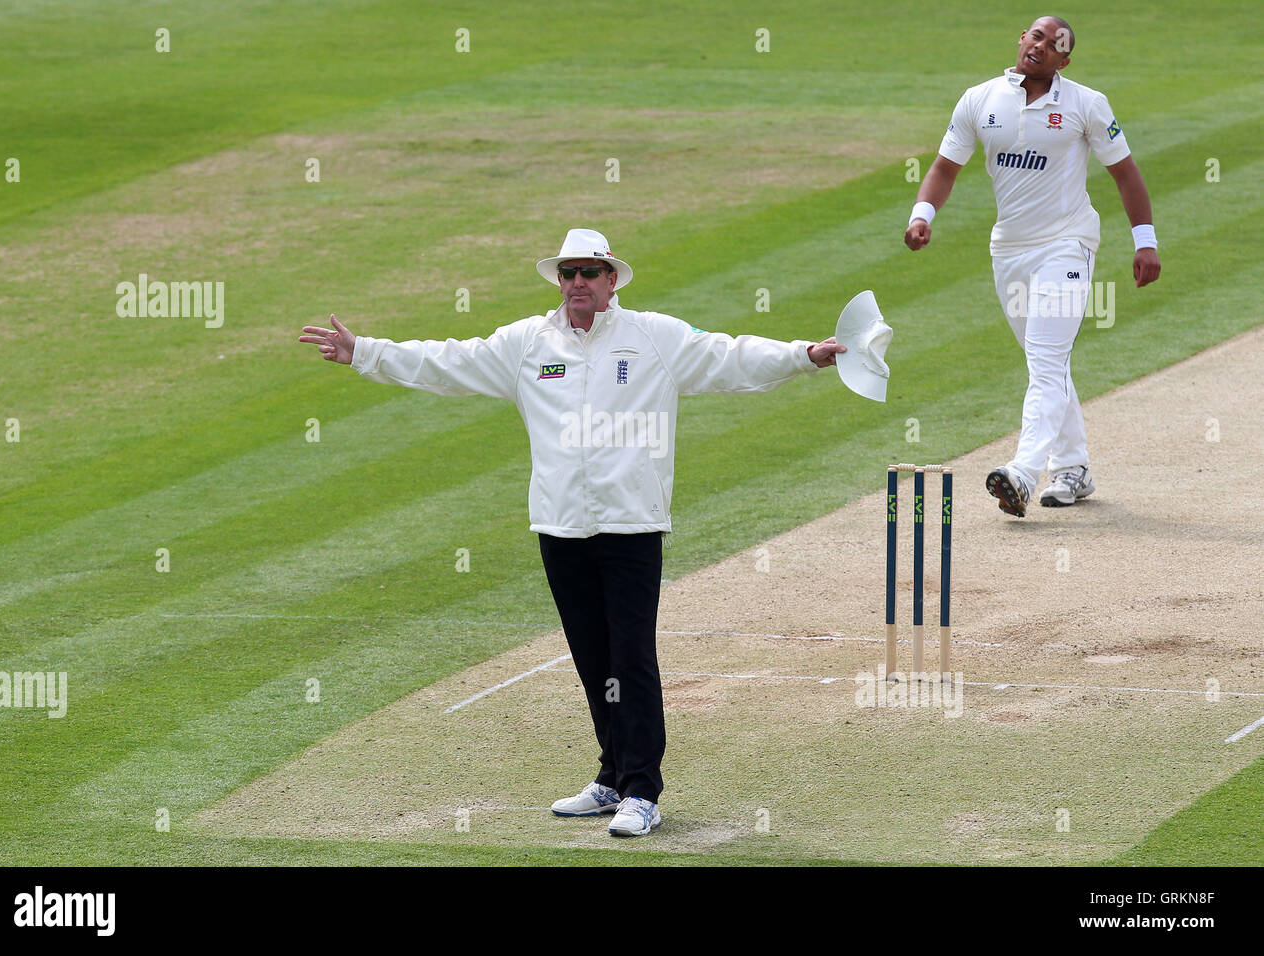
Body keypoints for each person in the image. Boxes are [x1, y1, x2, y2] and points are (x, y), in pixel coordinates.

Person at [298, 227, 847, 836]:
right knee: (592, 656)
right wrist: (363, 352)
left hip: (631, 522)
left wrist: (805, 354)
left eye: (590, 271)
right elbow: (448, 360)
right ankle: (612, 777)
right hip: (559, 524)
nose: (578, 283)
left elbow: (732, 356)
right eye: (568, 272)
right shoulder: (527, 343)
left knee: (631, 655)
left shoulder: (654, 337)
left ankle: (643, 790)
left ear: (613, 278)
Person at [904, 15, 1161, 516]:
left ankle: (1022, 473)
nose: (1040, 47)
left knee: (1045, 359)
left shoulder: (1086, 104)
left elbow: (1125, 173)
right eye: (1035, 36)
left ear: (1064, 60)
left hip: (1068, 244)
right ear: (1021, 38)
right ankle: (1074, 468)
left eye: (1053, 45)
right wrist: (922, 215)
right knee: (1046, 363)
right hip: (1010, 251)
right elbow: (944, 167)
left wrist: (1144, 242)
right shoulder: (980, 99)